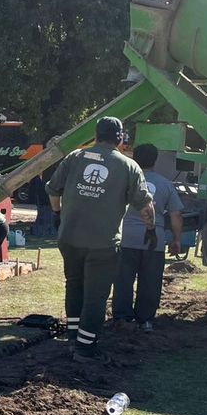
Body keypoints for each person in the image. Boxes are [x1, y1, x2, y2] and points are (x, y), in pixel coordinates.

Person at [47, 116, 154, 361]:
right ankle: (86, 348)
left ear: (96, 136)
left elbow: (53, 190)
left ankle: (73, 339)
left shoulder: (74, 157)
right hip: (103, 243)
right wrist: (151, 228)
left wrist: (57, 214)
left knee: (74, 286)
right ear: (120, 138)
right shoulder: (129, 166)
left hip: (69, 238)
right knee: (95, 296)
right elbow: (145, 206)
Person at [112, 144, 185, 332]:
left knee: (123, 281)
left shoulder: (125, 180)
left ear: (134, 157)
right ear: (155, 160)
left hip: (126, 238)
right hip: (154, 241)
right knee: (150, 282)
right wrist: (176, 240)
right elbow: (176, 215)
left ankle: (122, 318)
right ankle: (145, 321)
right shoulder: (165, 184)